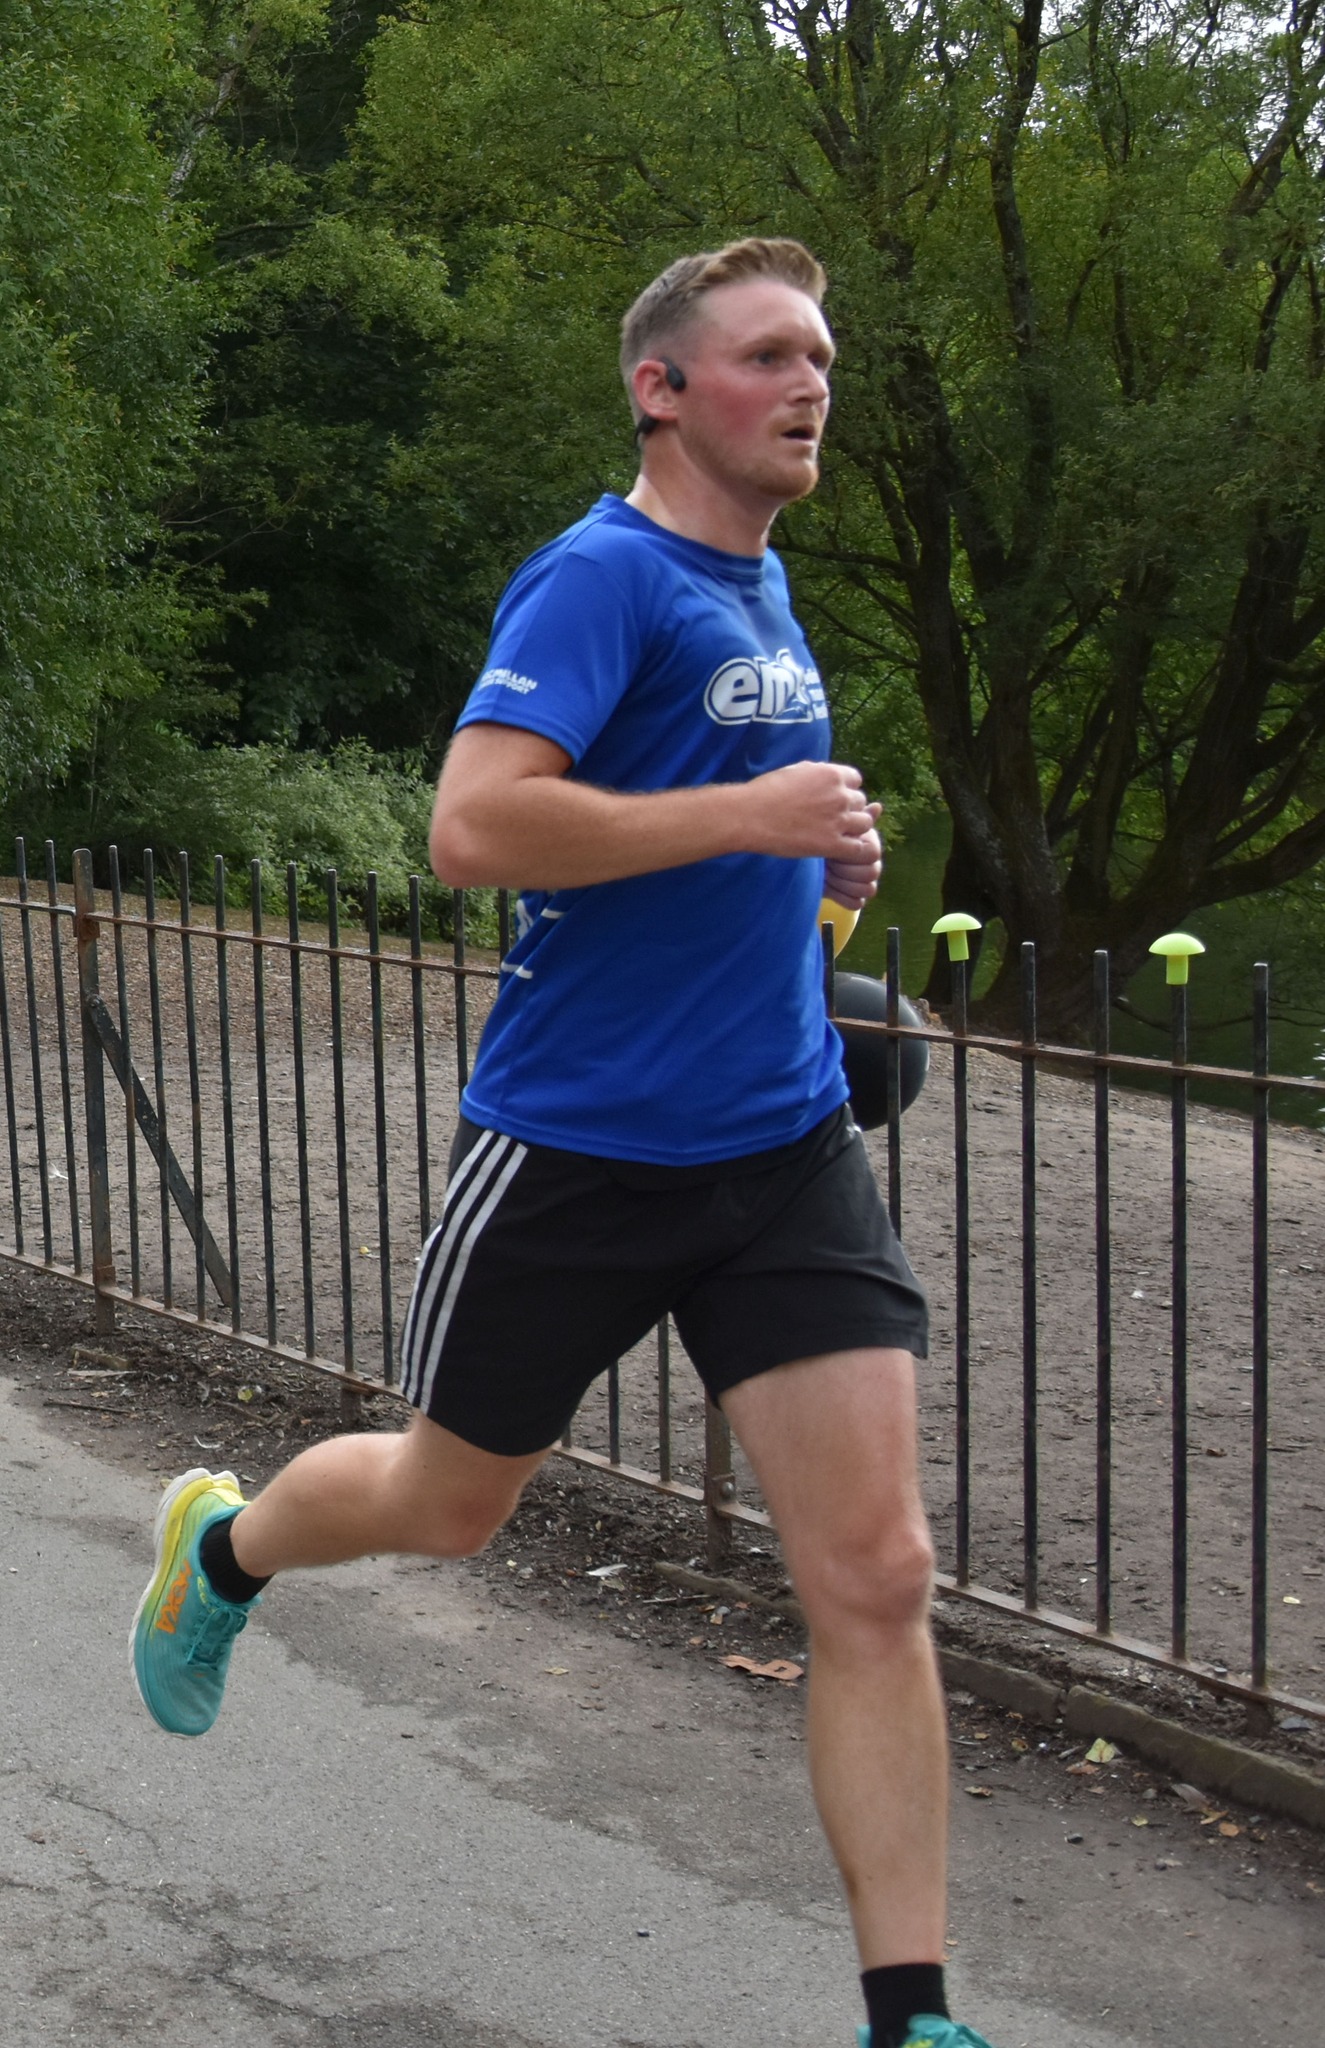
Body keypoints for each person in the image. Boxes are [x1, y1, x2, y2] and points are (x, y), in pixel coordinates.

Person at [131, 238, 995, 2048]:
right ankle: (223, 1552)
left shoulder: (762, 592)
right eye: (766, 354)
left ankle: (909, 2016)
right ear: (661, 388)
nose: (808, 382)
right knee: (449, 1508)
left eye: (818, 355)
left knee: (876, 1573)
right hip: (581, 1153)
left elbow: (693, 862)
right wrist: (740, 809)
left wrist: (812, 877)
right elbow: (475, 830)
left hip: (779, 1147)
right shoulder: (600, 578)